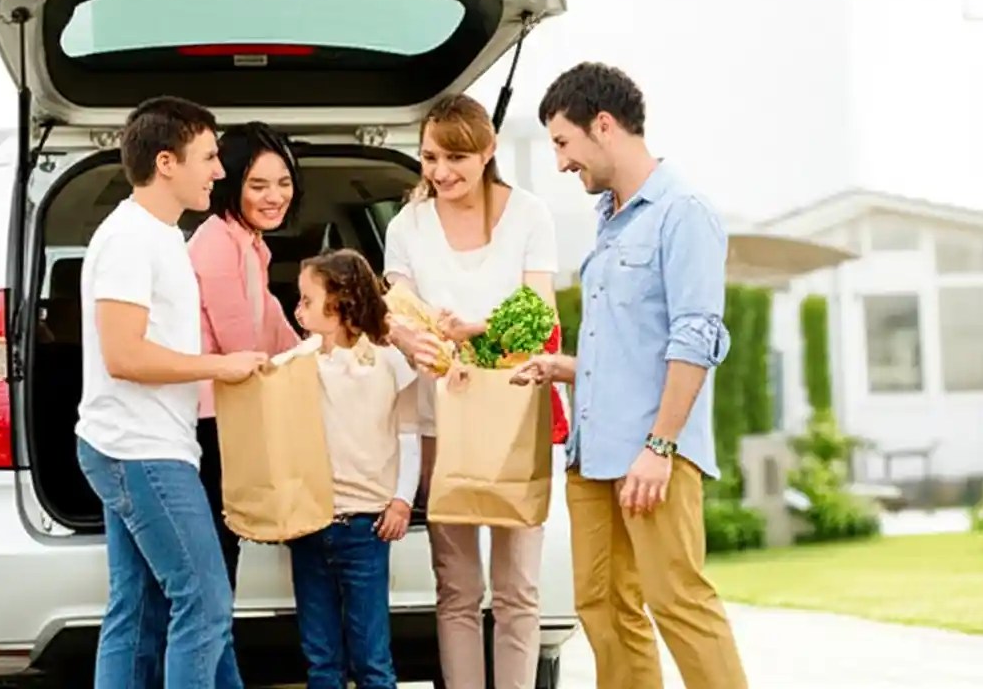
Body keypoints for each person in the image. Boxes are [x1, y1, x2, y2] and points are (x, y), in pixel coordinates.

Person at [512, 61, 749, 689]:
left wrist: (661, 445)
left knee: (678, 603)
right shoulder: (611, 219)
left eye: (563, 142)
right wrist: (563, 367)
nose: (561, 162)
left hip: (650, 455)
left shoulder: (683, 213)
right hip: (592, 455)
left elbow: (695, 338)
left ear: (605, 126)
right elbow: (625, 347)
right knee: (604, 609)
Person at [75, 96, 266, 689]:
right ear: (166, 162)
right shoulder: (132, 239)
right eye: (208, 157)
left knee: (138, 614)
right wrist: (220, 367)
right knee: (205, 604)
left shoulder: (159, 237)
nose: (218, 170)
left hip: (141, 445)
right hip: (141, 450)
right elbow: (124, 355)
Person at [383, 94, 560, 689]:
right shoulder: (407, 225)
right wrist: (413, 338)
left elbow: (540, 312)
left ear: (488, 153)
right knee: (456, 588)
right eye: (430, 157)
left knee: (518, 590)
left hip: (513, 415)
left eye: (455, 158)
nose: (440, 172)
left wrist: (473, 331)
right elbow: (396, 313)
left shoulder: (529, 215)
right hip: (441, 421)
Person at [287, 248, 421, 689]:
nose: (298, 309)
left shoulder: (389, 361)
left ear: (341, 301)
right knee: (320, 658)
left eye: (307, 300)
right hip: (310, 524)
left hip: (367, 527)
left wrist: (402, 501)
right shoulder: (298, 363)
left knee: (371, 659)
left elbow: (407, 435)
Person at [187, 121, 304, 589]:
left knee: (224, 549)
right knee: (217, 554)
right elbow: (241, 345)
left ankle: (221, 660)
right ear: (230, 183)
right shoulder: (216, 242)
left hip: (231, 417)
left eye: (283, 183)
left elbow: (275, 328)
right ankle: (214, 660)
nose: (274, 196)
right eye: (258, 185)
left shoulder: (251, 245)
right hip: (210, 421)